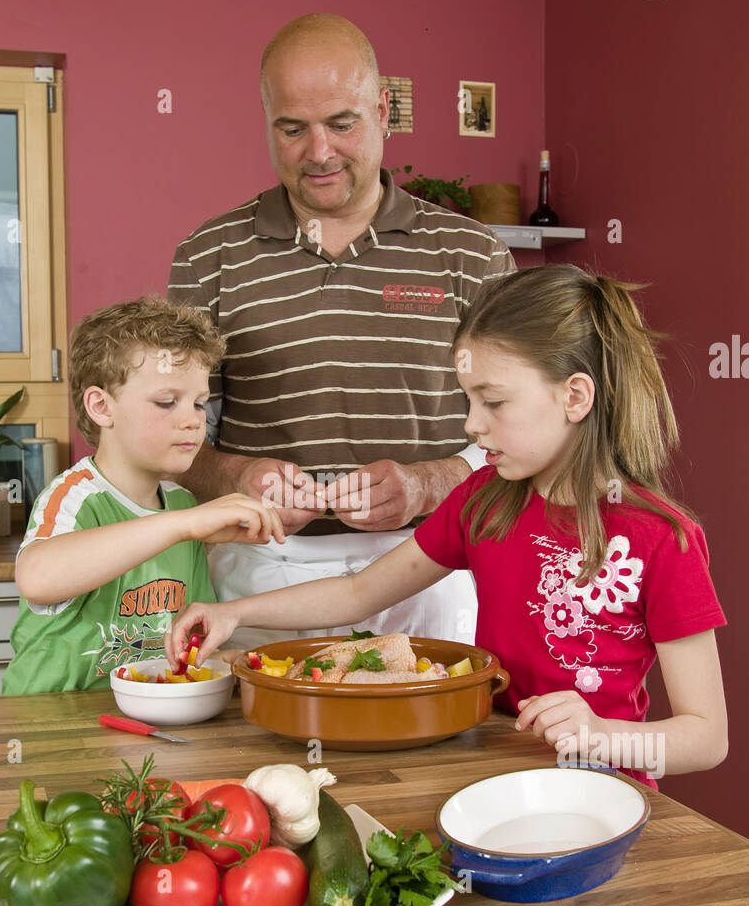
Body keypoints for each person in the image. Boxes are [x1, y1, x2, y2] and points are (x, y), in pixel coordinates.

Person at [167, 265, 729, 787]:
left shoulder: (662, 538)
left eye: (494, 402)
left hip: (599, 794)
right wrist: (233, 612)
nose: (470, 424)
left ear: (574, 396)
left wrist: (603, 736)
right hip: (490, 775)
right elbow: (357, 592)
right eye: (468, 399)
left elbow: (706, 738)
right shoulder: (482, 501)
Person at [167, 12, 516, 647]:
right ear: (267, 120)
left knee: (436, 746)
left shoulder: (472, 254)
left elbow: (527, 427)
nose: (319, 152)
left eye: (341, 123)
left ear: (383, 110)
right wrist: (238, 475)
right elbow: (170, 438)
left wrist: (430, 483)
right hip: (263, 572)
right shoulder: (208, 256)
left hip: (429, 565)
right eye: (293, 129)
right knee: (264, 749)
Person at [2, 294, 283, 695]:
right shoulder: (76, 497)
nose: (192, 420)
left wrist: (250, 665)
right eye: (166, 402)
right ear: (102, 407)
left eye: (200, 403)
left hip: (139, 723)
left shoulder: (183, 508)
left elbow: (187, 640)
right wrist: (183, 526)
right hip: (52, 728)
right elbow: (38, 577)